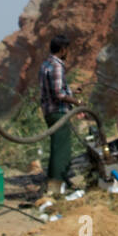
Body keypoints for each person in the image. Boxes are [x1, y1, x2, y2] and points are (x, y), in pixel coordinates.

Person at [37, 34, 78, 195]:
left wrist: (72, 91)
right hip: (58, 112)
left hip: (48, 112)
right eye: (67, 49)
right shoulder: (57, 65)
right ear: (63, 50)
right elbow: (58, 94)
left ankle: (57, 183)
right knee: (62, 150)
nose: (68, 52)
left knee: (57, 148)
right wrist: (76, 102)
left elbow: (53, 89)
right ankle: (56, 188)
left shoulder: (45, 64)